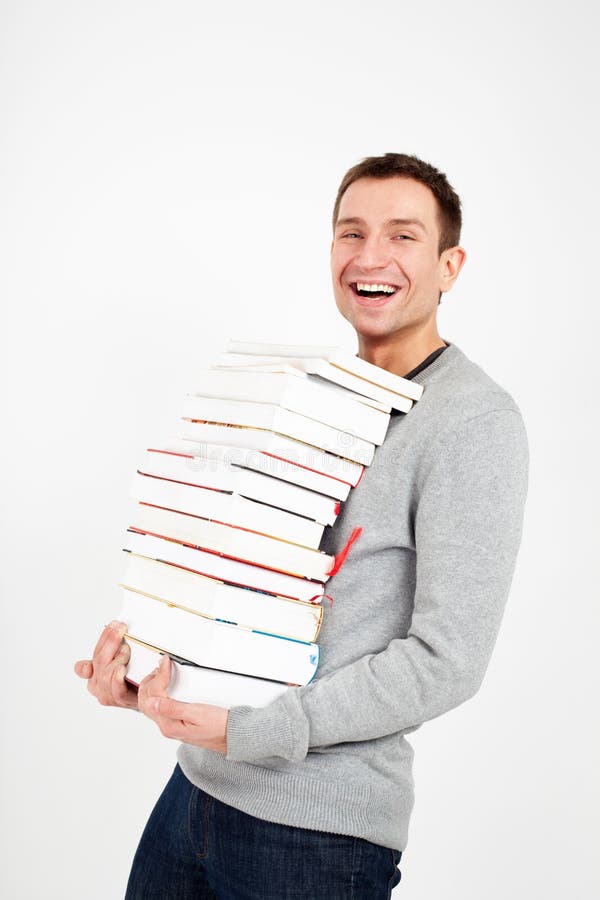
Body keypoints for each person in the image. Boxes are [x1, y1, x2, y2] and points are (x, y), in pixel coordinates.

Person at [75, 152, 529, 899]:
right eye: (351, 233)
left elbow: (447, 660)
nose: (370, 255)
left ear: (451, 265)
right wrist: (152, 665)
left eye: (402, 236)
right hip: (194, 794)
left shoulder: (474, 422)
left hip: (318, 834)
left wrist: (253, 733)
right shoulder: (312, 395)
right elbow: (244, 581)